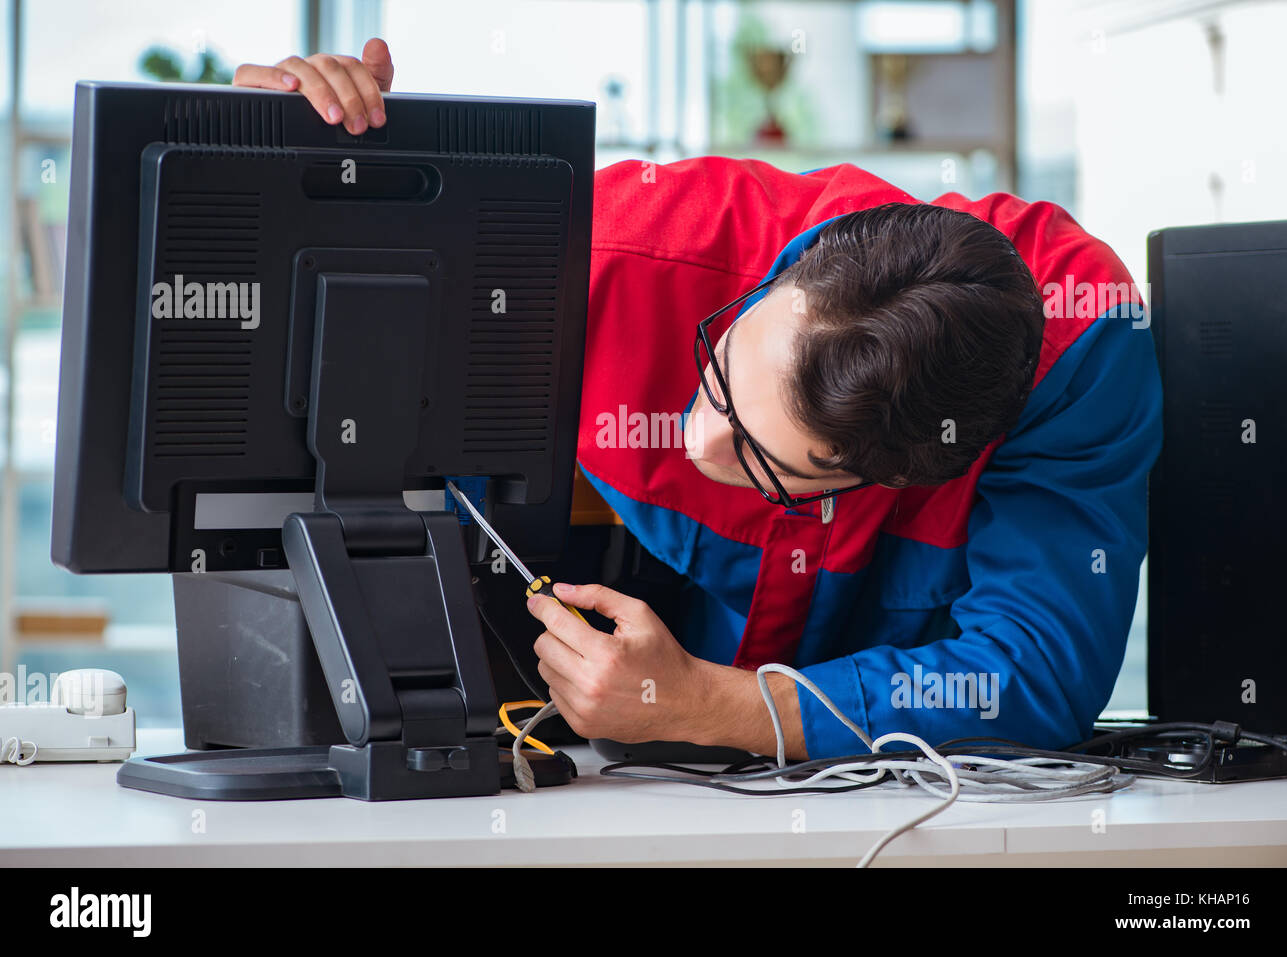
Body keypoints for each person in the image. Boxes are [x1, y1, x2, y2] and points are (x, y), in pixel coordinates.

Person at [234, 39, 1162, 761]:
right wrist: (277, 156)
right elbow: (298, 311)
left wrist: (717, 706)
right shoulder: (615, 251)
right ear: (789, 275)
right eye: (721, 367)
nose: (695, 435)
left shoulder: (1077, 339)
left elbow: (1032, 673)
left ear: (896, 476)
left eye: (761, 458)